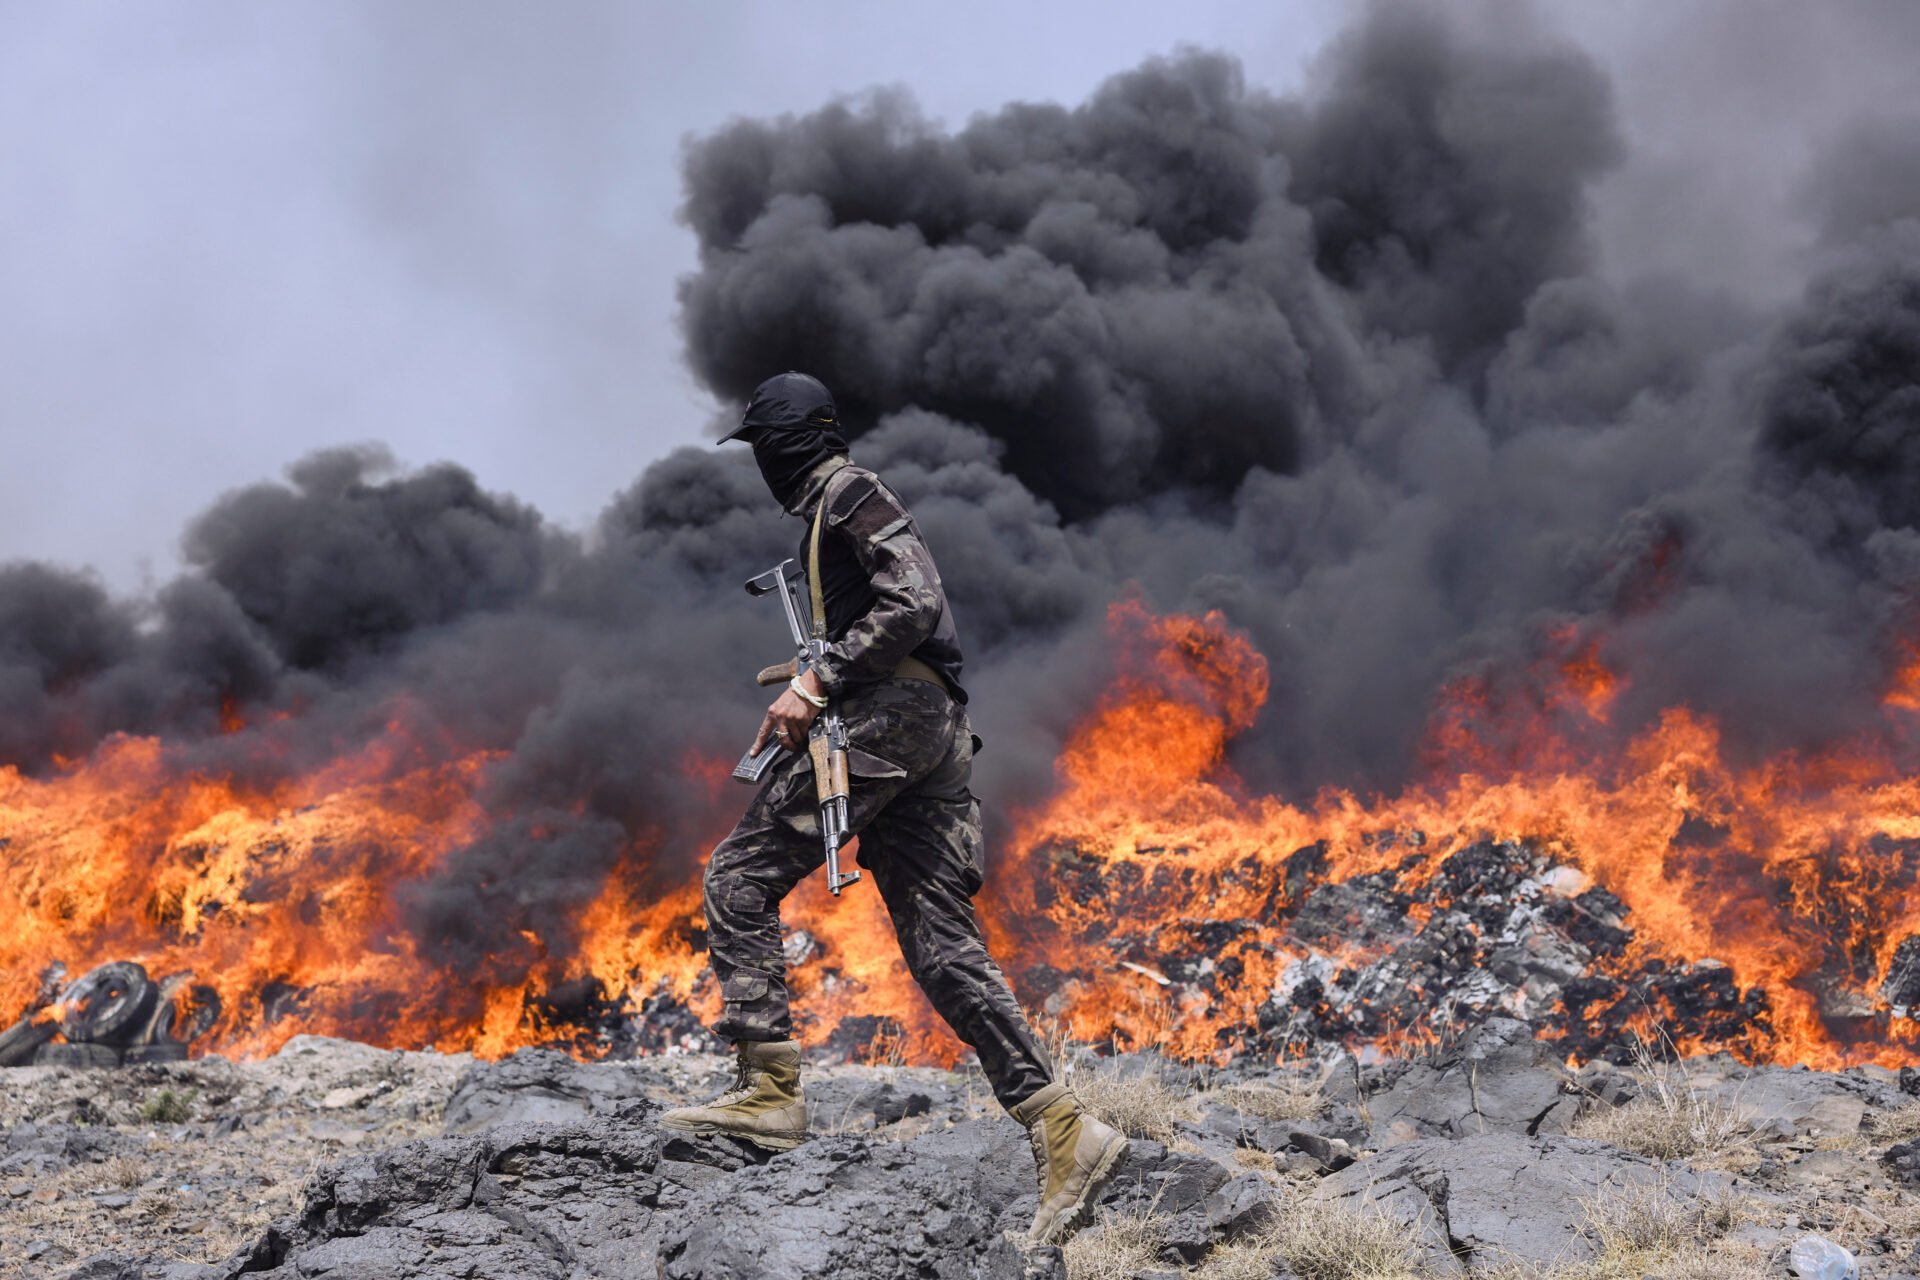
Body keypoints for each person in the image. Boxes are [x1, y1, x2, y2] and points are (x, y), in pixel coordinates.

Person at [658, 371, 1128, 1245]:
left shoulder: (850, 494)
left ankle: (768, 1090)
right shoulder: (833, 509)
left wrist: (820, 679)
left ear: (784, 443)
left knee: (736, 876)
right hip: (930, 734)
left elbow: (912, 600)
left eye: (764, 446)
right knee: (943, 949)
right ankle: (1067, 1129)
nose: (763, 462)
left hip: (892, 722)